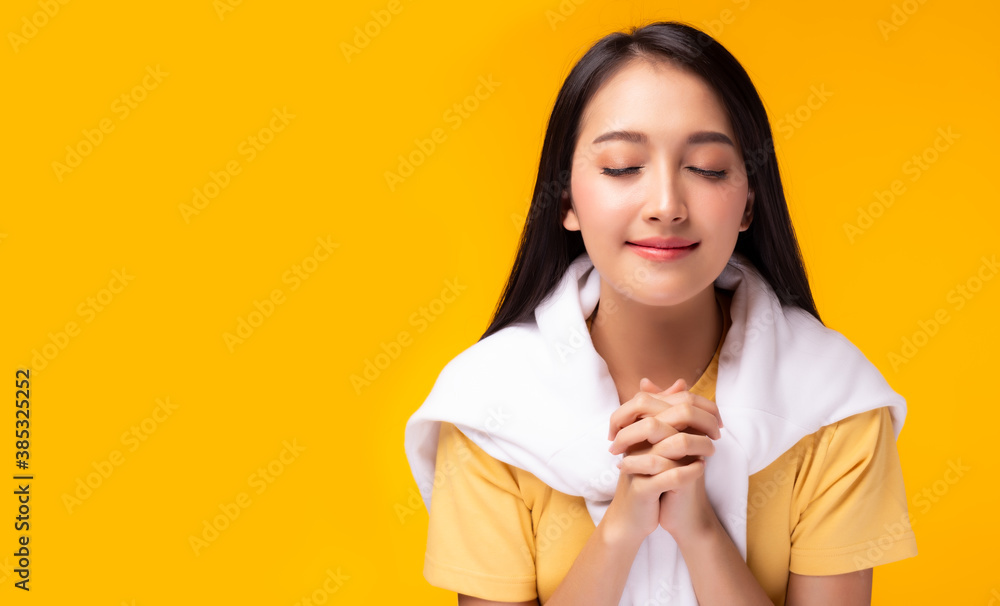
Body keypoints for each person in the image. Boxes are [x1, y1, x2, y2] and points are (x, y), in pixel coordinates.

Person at [404, 20, 917, 606]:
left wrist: (701, 533)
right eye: (623, 167)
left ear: (749, 202)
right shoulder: (490, 405)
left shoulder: (834, 400)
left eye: (708, 168)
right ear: (565, 198)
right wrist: (621, 528)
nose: (667, 206)